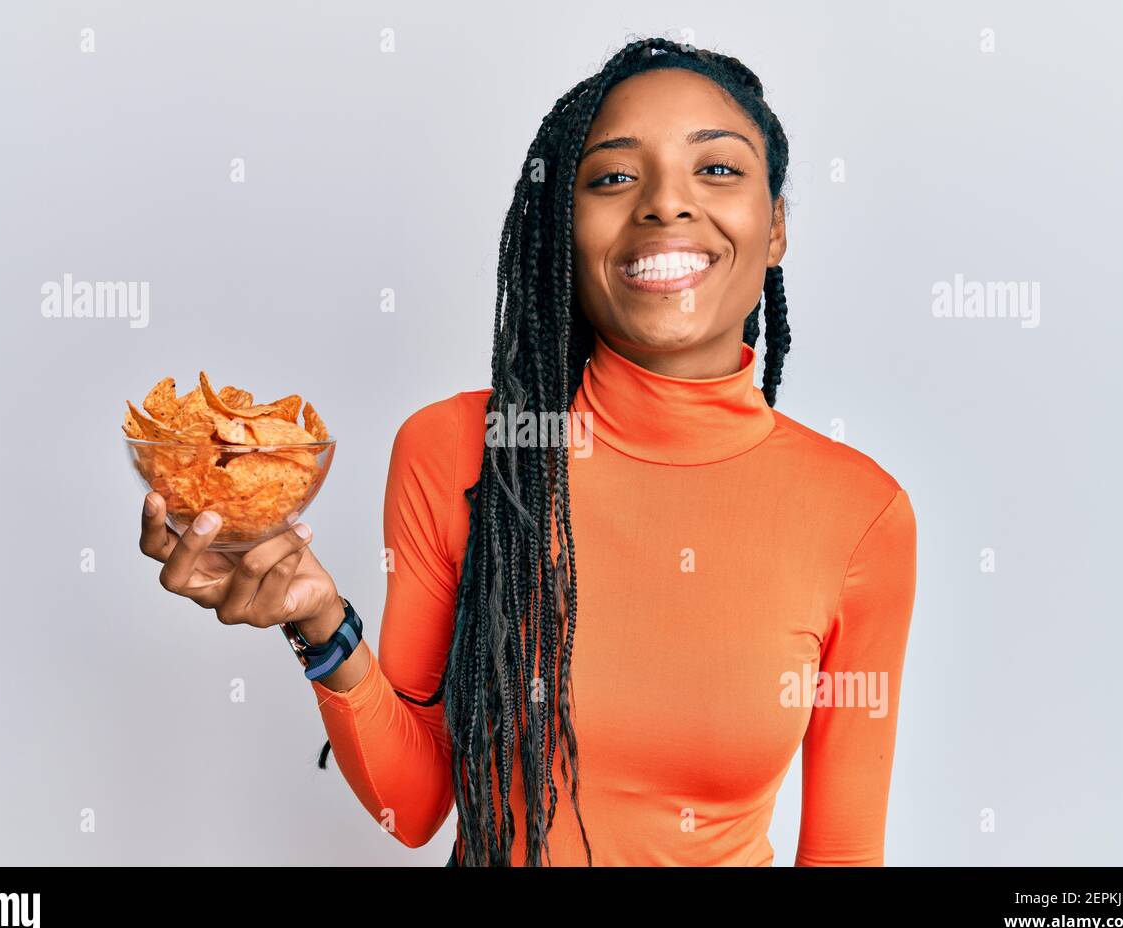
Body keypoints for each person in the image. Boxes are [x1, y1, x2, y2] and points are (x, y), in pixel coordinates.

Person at [139, 36, 918, 867]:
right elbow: (416, 807)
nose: (665, 203)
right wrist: (319, 627)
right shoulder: (459, 454)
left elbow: (843, 850)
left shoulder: (860, 515)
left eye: (718, 170)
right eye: (614, 177)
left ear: (776, 229)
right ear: (561, 229)